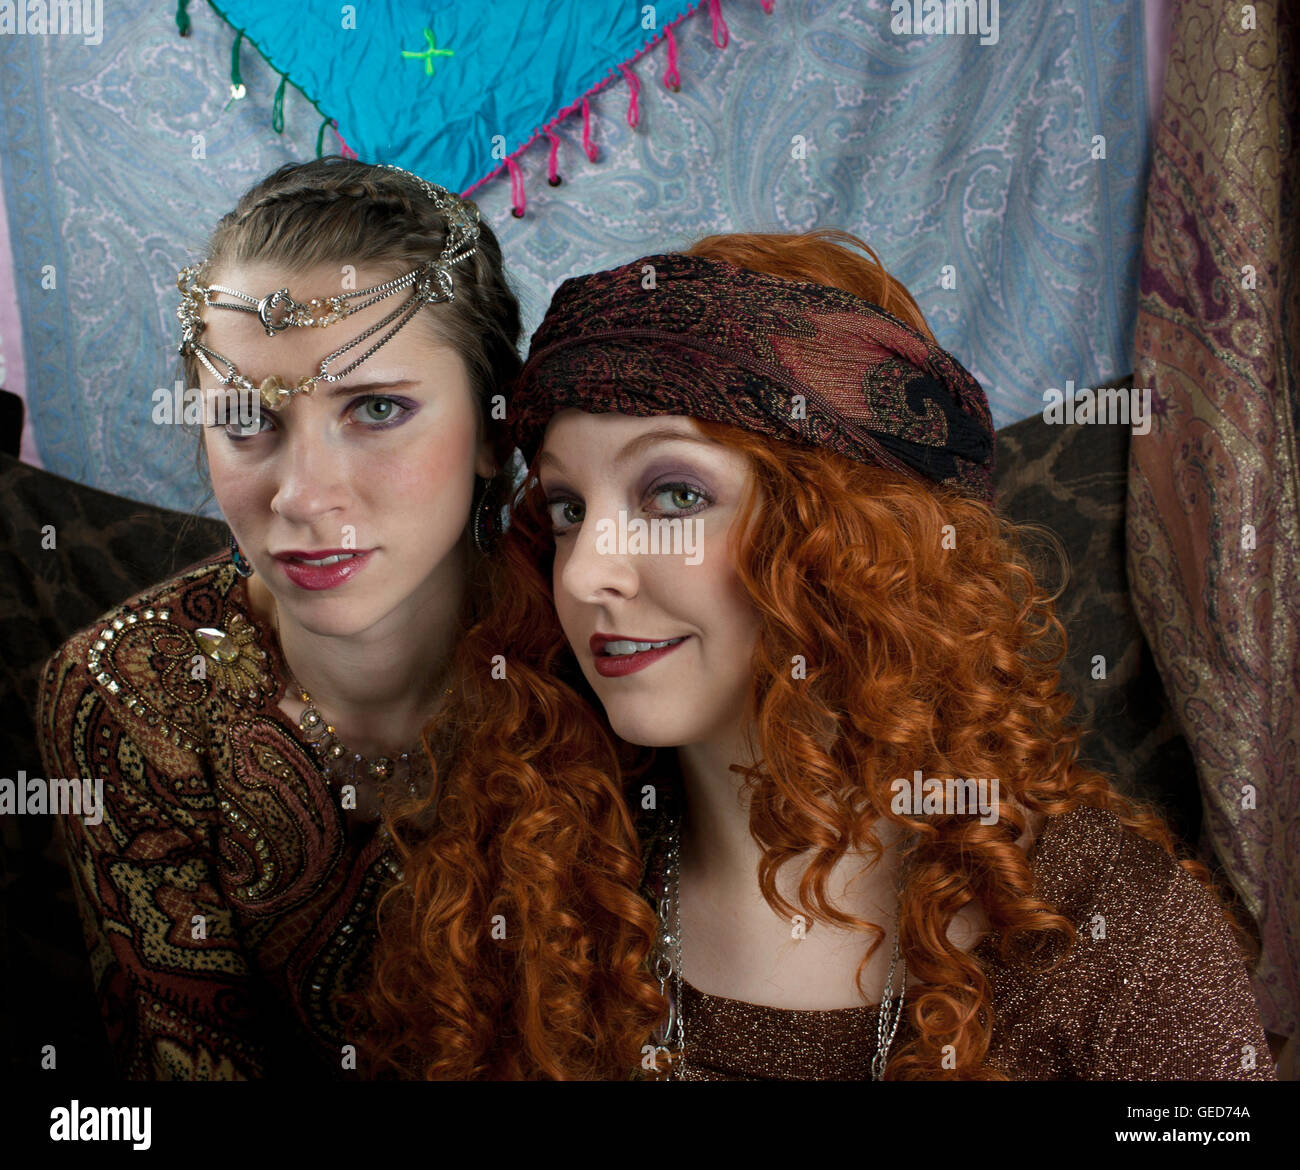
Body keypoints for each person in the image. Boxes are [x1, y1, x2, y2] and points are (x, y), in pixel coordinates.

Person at [364, 230, 1277, 1081]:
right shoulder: (516, 882)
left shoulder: (1111, 936)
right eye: (567, 509)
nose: (588, 572)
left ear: (859, 545)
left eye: (675, 495)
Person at [36, 156, 522, 1079]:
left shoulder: (610, 653)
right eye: (245, 420)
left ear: (496, 429)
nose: (302, 496)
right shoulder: (129, 701)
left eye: (377, 408)